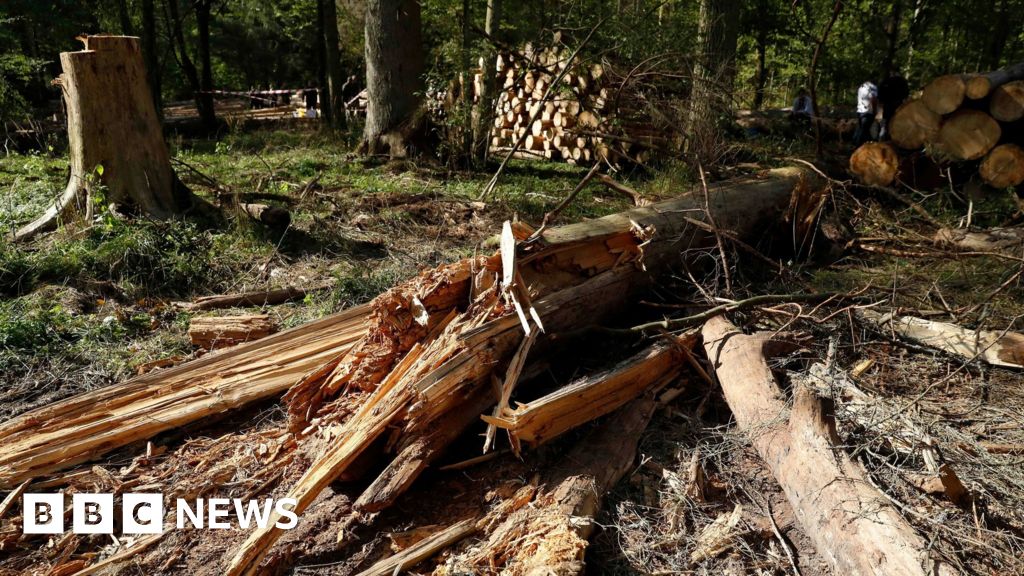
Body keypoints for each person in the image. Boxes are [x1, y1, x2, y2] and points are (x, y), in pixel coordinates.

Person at [878, 75, 909, 141]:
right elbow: (906, 93)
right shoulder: (900, 80)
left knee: (887, 124)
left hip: (889, 106)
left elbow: (880, 96)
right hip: (896, 105)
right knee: (894, 124)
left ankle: (887, 139)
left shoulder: (885, 81)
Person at [853, 80, 878, 145]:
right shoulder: (873, 87)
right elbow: (874, 99)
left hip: (860, 111)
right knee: (864, 130)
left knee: (863, 129)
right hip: (868, 112)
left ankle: (865, 143)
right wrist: (874, 110)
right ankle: (858, 145)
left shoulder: (861, 87)